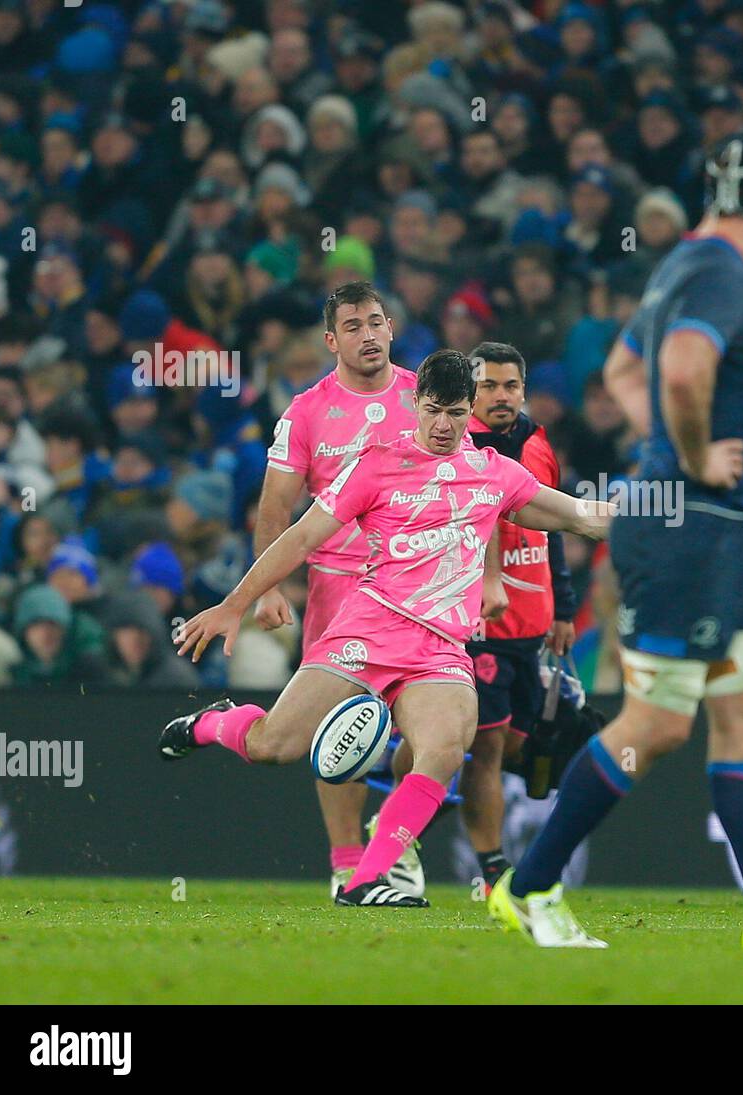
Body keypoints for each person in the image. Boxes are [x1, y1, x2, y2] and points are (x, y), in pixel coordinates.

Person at [487, 132, 743, 951]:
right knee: (659, 722)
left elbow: (627, 372)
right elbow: (676, 371)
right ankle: (529, 885)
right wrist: (691, 455)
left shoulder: (681, 266)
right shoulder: (720, 271)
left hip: (720, 533)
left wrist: (667, 445)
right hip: (687, 526)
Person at [159, 350, 614, 906]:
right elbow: (302, 539)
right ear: (415, 405)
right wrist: (234, 604)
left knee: (446, 747)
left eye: (454, 412)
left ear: (469, 410)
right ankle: (214, 725)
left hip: (440, 649)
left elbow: (577, 516)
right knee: (274, 746)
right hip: (368, 630)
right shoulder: (376, 465)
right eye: (433, 411)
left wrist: (663, 525)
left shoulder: (494, 473)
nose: (443, 425)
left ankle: (366, 880)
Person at [247, 281, 504, 906]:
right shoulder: (306, 411)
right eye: (353, 326)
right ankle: (346, 863)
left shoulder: (431, 397)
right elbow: (277, 505)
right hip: (339, 588)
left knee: (430, 731)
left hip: (424, 592)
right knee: (338, 731)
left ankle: (396, 847)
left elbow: (478, 491)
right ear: (331, 340)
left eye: (376, 322)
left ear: (391, 329)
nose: (367, 335)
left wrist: (489, 577)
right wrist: (267, 588)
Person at [457, 340, 578, 896]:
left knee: (521, 747)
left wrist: (565, 608)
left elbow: (552, 521)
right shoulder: (454, 447)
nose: (500, 396)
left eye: (510, 386)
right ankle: (490, 866)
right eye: (487, 386)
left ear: (523, 390)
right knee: (486, 745)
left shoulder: (537, 442)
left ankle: (405, 770)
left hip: (532, 626)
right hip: (478, 626)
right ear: (470, 390)